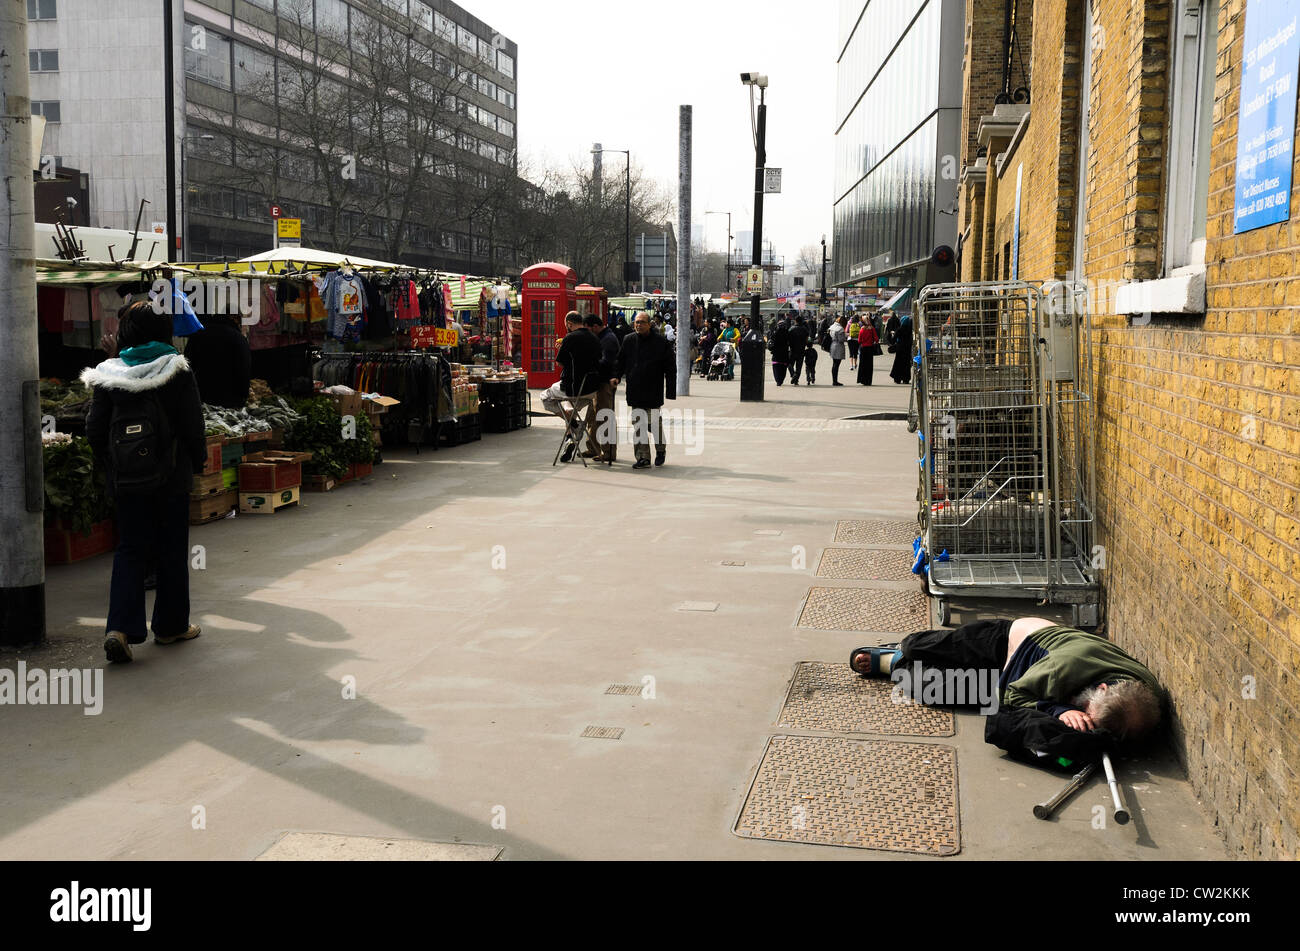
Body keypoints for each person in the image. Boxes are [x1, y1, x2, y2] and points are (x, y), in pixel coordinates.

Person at [83, 301, 206, 664]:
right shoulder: (176, 368)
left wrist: (111, 465)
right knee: (170, 549)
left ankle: (119, 629)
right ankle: (170, 627)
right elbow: (192, 424)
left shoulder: (110, 372)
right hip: (171, 477)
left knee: (130, 549)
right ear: (164, 330)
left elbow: (94, 428)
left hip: (126, 479)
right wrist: (195, 463)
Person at [849, 618, 1164, 741]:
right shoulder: (1064, 668)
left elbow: (1125, 723)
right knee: (924, 647)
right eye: (1085, 708)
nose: (1083, 713)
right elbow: (1012, 695)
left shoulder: (1142, 693)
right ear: (1102, 688)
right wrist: (1059, 710)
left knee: (934, 691)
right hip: (1006, 643)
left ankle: (895, 668)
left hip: (1019, 675)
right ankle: (897, 652)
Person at [613, 312, 676, 469]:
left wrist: (670, 391)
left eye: (641, 322)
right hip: (634, 389)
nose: (638, 325)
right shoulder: (628, 340)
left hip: (653, 389)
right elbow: (620, 361)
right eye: (636, 322)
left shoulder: (661, 342)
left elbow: (670, 368)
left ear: (649, 324)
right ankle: (643, 457)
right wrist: (616, 376)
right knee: (638, 423)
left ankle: (660, 450)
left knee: (654, 423)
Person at [543, 312, 603, 462]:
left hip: (574, 388)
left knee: (546, 396)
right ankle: (570, 437)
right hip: (591, 390)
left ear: (569, 324)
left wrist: (561, 349)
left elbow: (560, 363)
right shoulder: (594, 338)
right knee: (569, 407)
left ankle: (575, 426)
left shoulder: (569, 338)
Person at [183, 312, 252, 409]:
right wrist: (243, 398)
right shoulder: (239, 339)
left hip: (202, 398)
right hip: (230, 400)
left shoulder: (198, 334)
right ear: (234, 318)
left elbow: (187, 365)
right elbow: (244, 370)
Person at [584, 313, 620, 463]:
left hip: (605, 383)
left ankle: (608, 452)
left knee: (605, 418)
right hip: (597, 383)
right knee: (592, 418)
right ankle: (593, 447)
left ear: (596, 327)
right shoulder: (601, 337)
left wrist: (590, 362)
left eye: (588, 329)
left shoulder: (608, 340)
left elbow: (606, 363)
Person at [890, 312, 914, 385]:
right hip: (907, 349)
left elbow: (893, 340)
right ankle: (905, 379)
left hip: (900, 349)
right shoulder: (910, 330)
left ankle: (897, 378)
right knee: (906, 364)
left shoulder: (899, 329)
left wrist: (891, 335)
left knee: (898, 363)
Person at [857, 316, 881, 386]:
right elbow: (876, 339)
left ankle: (862, 380)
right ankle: (868, 380)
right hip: (870, 348)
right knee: (869, 365)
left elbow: (859, 340)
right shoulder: (872, 329)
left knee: (863, 364)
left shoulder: (862, 329)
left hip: (863, 348)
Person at [787, 315, 809, 385]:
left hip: (793, 349)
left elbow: (788, 339)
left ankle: (793, 375)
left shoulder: (791, 329)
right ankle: (796, 379)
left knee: (789, 364)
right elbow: (807, 339)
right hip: (801, 350)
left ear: (795, 321)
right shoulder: (804, 329)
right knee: (799, 366)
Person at [770, 318, 790, 387]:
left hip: (776, 354)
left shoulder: (775, 333)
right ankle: (781, 380)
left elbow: (771, 342)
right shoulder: (787, 333)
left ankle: (778, 380)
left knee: (776, 368)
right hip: (784, 354)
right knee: (783, 368)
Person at [827, 315, 847, 386]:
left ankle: (834, 380)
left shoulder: (832, 327)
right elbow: (841, 339)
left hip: (833, 345)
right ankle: (835, 381)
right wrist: (846, 336)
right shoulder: (840, 329)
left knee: (834, 364)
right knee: (836, 365)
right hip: (838, 346)